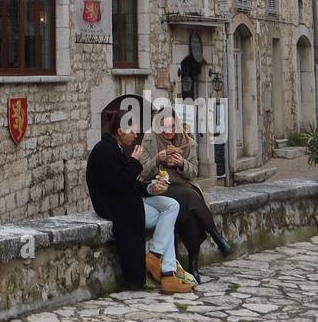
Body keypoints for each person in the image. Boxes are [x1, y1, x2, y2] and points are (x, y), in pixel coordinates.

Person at [85, 94, 194, 294]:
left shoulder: (116, 148)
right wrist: (135, 164)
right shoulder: (104, 151)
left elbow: (131, 184)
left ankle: (154, 256)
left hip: (128, 200)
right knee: (166, 217)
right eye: (132, 130)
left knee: (171, 205)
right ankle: (168, 274)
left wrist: (150, 188)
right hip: (117, 207)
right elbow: (119, 184)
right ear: (120, 131)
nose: (136, 134)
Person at [138, 112, 233, 281]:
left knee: (191, 216)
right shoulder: (149, 140)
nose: (168, 131)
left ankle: (193, 265)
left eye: (172, 127)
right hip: (161, 187)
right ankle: (217, 237)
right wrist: (158, 160)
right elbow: (142, 173)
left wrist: (181, 163)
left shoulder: (187, 142)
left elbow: (194, 172)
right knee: (189, 196)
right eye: (165, 127)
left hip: (183, 187)